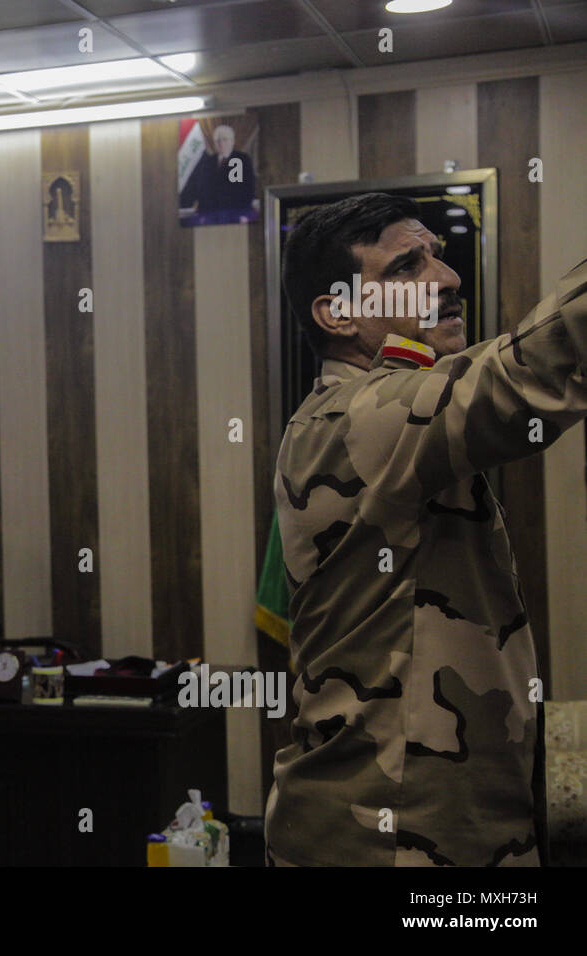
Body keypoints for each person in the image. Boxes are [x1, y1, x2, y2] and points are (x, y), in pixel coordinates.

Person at [267, 190, 587, 867]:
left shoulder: (389, 410)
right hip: (391, 839)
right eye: (407, 268)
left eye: (437, 258)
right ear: (339, 313)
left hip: (443, 822)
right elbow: (529, 372)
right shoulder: (357, 417)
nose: (447, 279)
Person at [180, 124, 257, 224]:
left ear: (232, 141)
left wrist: (242, 213)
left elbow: (247, 190)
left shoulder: (241, 159)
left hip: (234, 214)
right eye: (218, 141)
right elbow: (195, 188)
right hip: (209, 214)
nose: (221, 144)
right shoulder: (207, 162)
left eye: (225, 139)